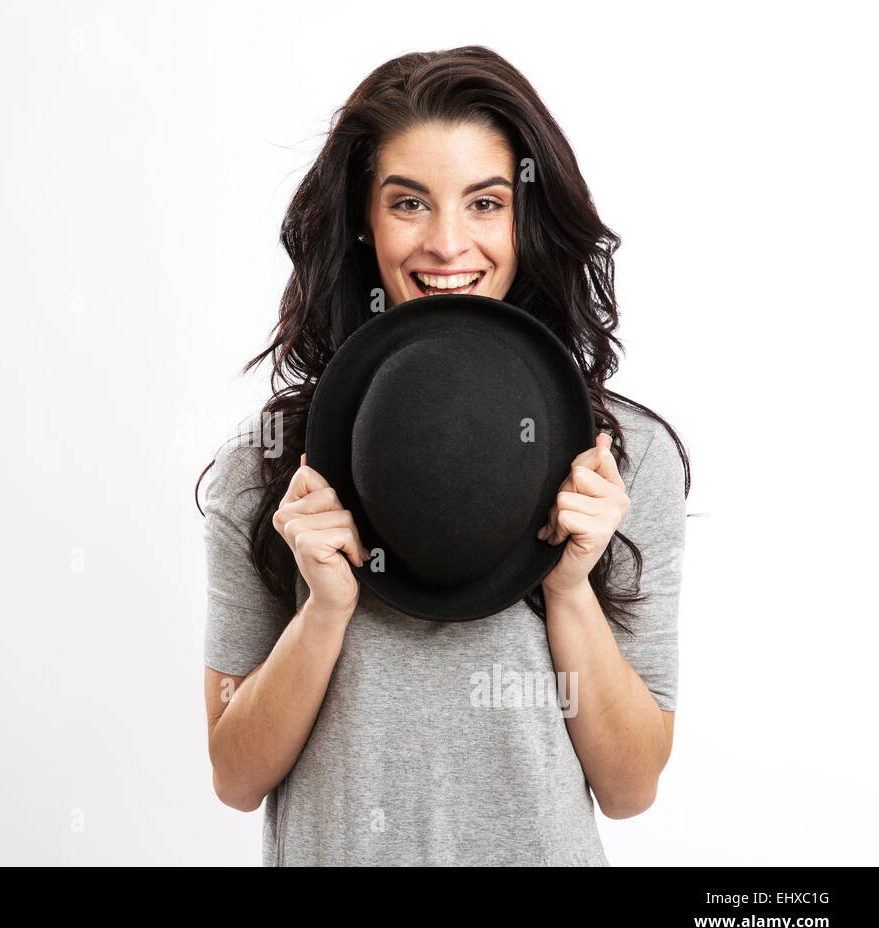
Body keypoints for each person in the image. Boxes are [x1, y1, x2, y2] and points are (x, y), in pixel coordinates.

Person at [196, 46, 692, 866]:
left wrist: (570, 589)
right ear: (364, 217)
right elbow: (235, 776)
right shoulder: (270, 469)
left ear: (525, 218)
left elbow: (631, 787)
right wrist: (324, 607)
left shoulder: (624, 461)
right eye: (410, 203)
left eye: (485, 202)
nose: (448, 242)